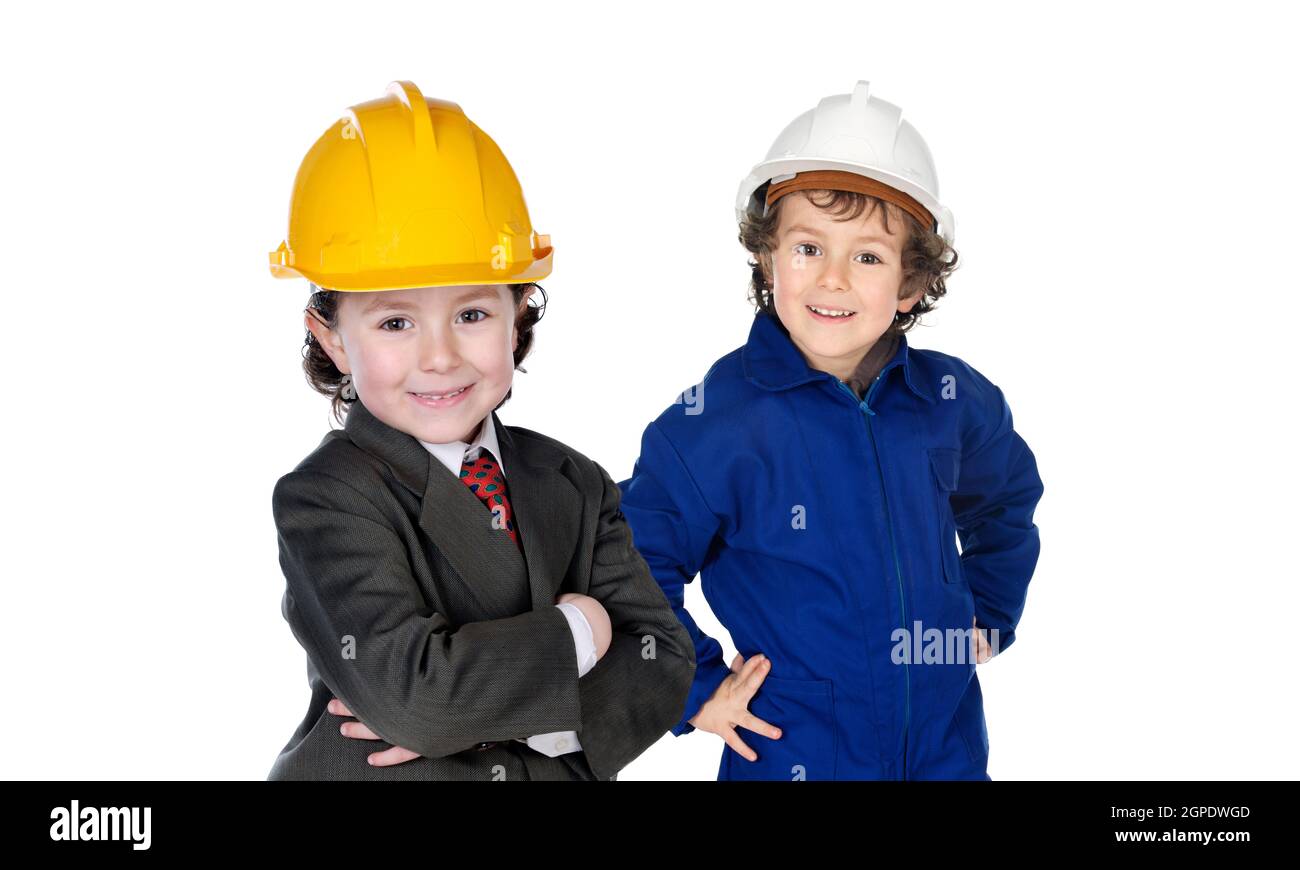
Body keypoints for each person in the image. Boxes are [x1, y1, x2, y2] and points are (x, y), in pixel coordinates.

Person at [265, 81, 694, 781]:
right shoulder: (326, 498)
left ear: (519, 311)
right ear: (334, 338)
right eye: (395, 322)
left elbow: (664, 663)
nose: (440, 356)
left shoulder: (575, 482)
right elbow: (418, 702)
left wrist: (490, 716)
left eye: (472, 315)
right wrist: (580, 630)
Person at [618, 81, 1044, 780]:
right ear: (767, 259)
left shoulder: (953, 400)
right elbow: (630, 557)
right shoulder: (716, 423)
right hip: (791, 748)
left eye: (869, 257)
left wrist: (988, 612)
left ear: (911, 285)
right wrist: (695, 690)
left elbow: (1005, 504)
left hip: (945, 750)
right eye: (808, 248)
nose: (834, 278)